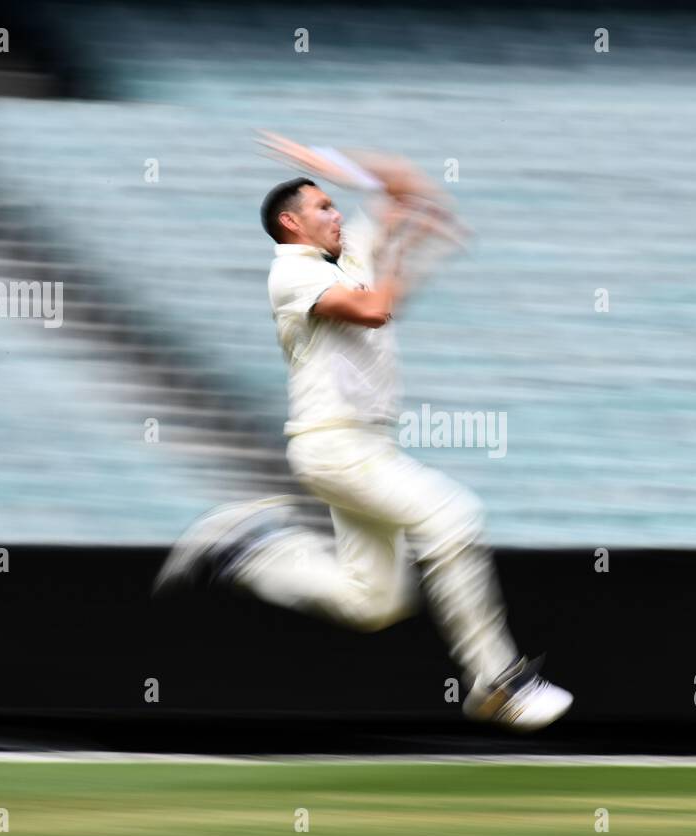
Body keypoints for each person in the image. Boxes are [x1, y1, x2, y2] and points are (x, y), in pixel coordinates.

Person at [155, 133, 573, 731]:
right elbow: (375, 308)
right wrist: (400, 249)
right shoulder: (292, 276)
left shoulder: (344, 257)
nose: (336, 214)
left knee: (373, 603)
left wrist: (339, 167)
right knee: (453, 516)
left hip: (366, 446)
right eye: (323, 207)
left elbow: (405, 184)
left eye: (335, 205)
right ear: (290, 222)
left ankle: (249, 550)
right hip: (336, 444)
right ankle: (499, 682)